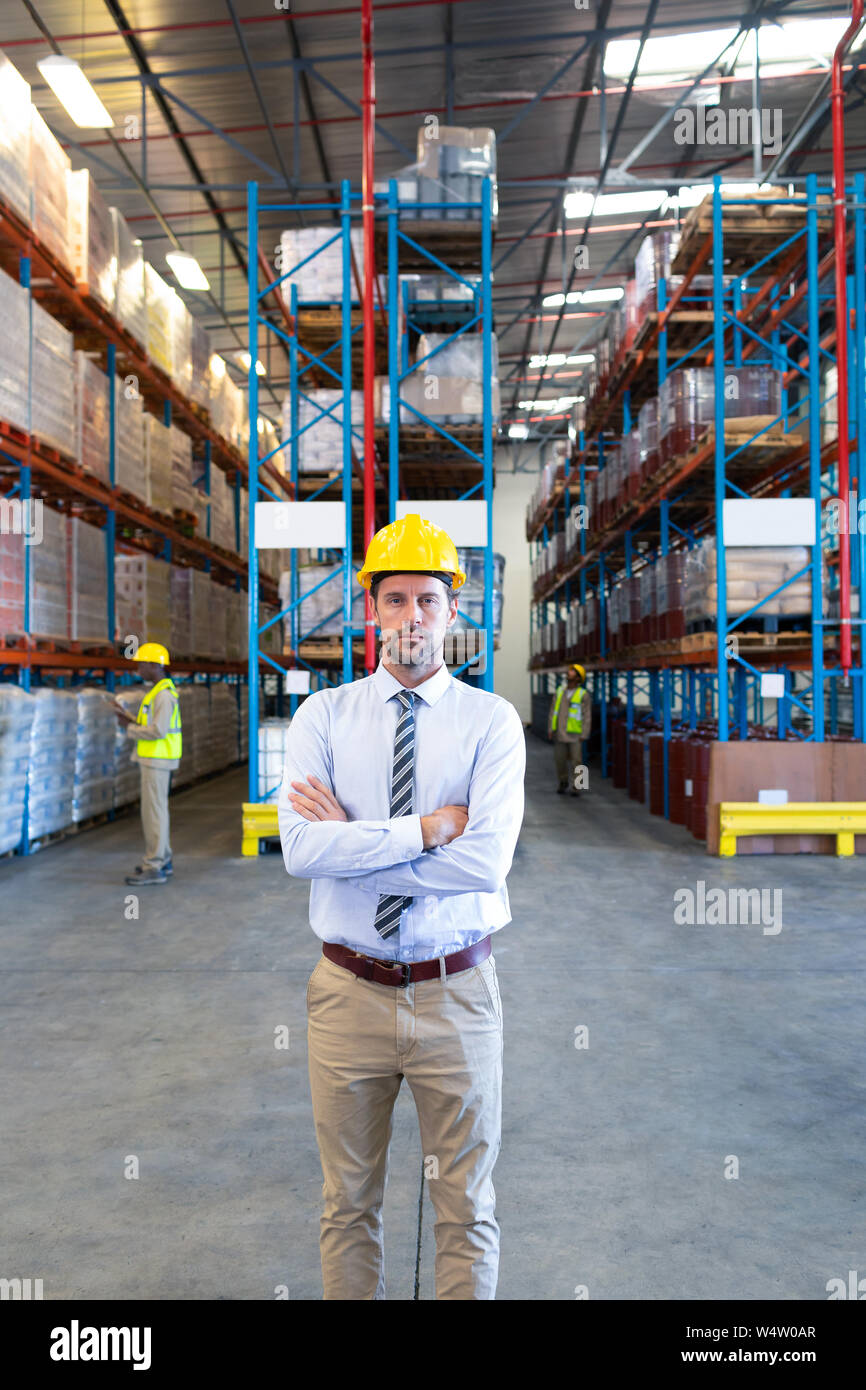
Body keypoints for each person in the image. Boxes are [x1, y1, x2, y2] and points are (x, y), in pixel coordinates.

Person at [277, 512, 526, 1301]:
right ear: (370, 610)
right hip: (348, 993)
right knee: (347, 1204)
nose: (411, 617)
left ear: (453, 610)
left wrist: (356, 847)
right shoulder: (323, 716)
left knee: (467, 1206)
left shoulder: (491, 723)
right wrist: (421, 832)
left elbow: (485, 864)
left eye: (427, 600)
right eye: (394, 600)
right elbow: (299, 851)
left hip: (458, 992)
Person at [113, 642, 182, 886]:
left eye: (142, 664)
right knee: (156, 812)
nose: (138, 669)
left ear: (154, 665)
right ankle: (163, 860)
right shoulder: (158, 691)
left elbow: (158, 731)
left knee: (153, 814)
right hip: (156, 759)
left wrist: (128, 727)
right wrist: (130, 719)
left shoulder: (163, 695)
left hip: (157, 759)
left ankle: (154, 865)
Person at [547, 662, 591, 796]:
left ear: (578, 678)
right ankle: (563, 782)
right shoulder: (560, 691)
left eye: (572, 672)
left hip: (575, 734)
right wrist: (550, 728)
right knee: (559, 760)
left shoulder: (583, 694)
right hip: (560, 732)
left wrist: (585, 733)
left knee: (577, 761)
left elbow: (587, 715)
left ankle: (579, 786)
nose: (568, 673)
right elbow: (553, 711)